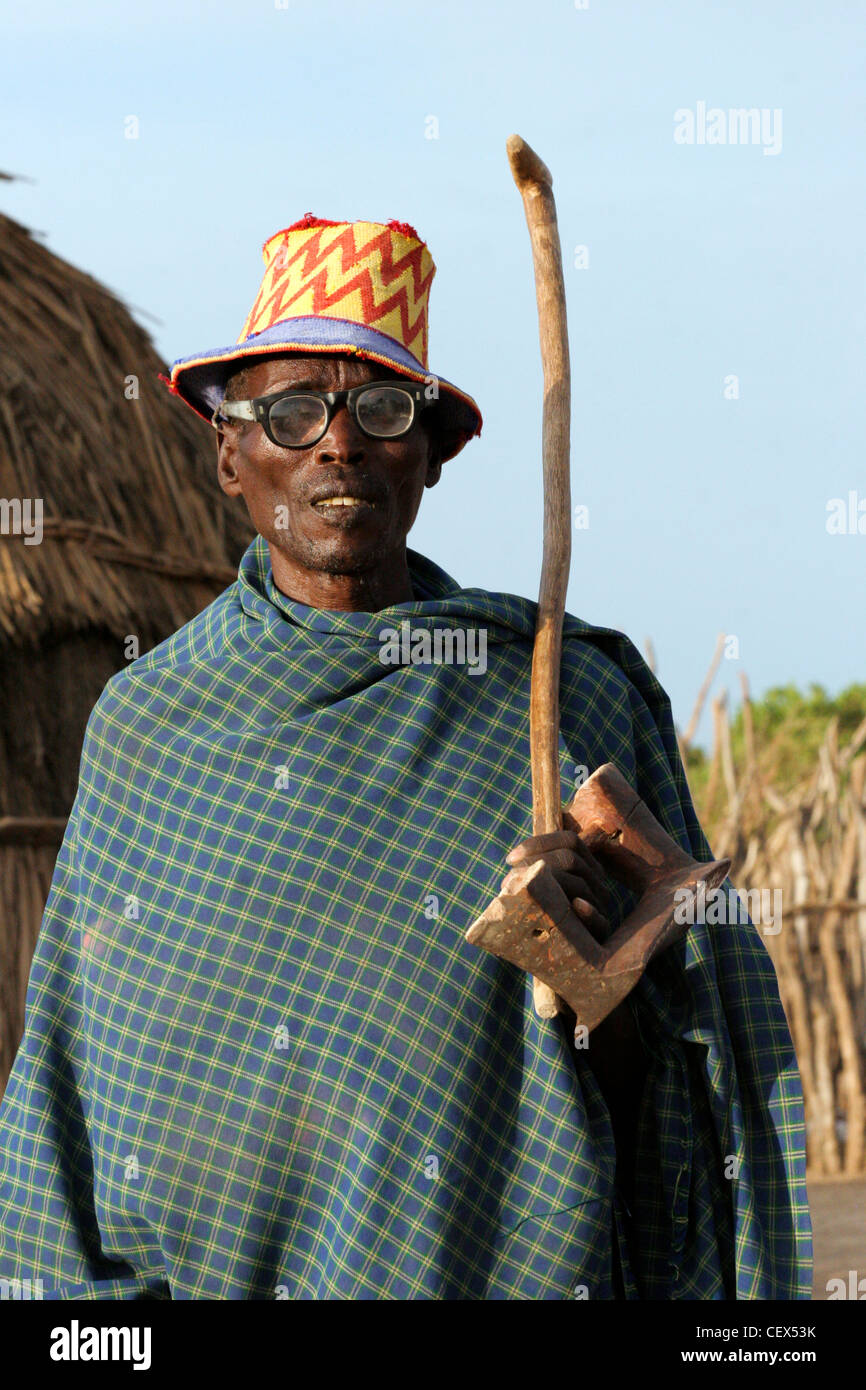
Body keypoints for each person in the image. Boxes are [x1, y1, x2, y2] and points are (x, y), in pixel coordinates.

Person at [0, 215, 811, 1299]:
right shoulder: (150, 724)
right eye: (291, 412)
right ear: (227, 455)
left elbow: (665, 1094)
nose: (337, 445)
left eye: (380, 409)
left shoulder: (558, 697)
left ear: (429, 452)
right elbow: (69, 1077)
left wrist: (599, 958)